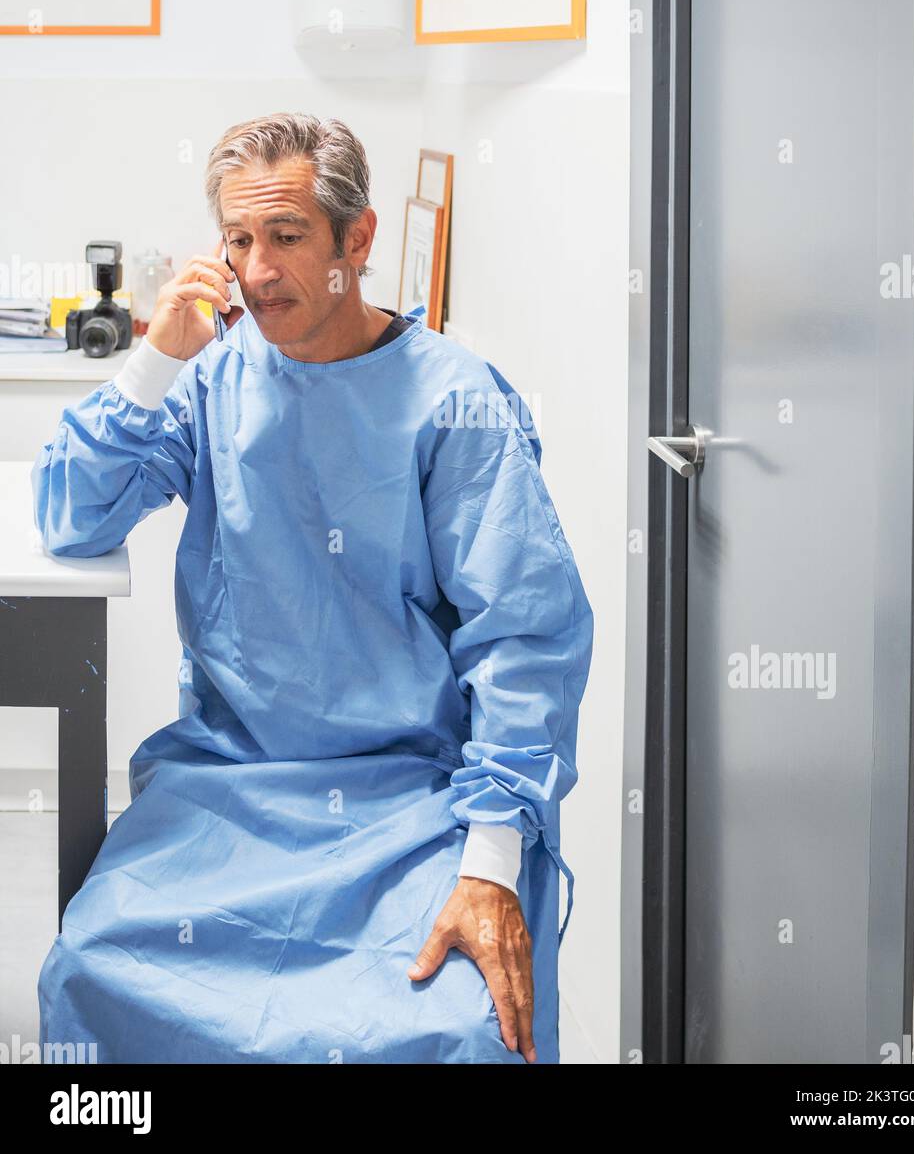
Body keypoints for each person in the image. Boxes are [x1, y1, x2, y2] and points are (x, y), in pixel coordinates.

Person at [31, 112, 593, 1065]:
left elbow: (525, 639)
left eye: (286, 238)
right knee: (88, 969)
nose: (257, 270)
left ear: (357, 240)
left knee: (452, 1027)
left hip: (411, 800)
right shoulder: (213, 380)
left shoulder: (451, 400)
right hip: (231, 785)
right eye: (240, 241)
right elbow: (72, 517)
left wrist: (491, 863)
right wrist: (155, 354)